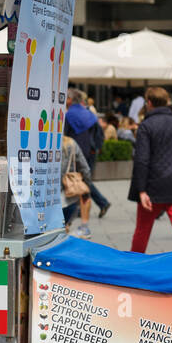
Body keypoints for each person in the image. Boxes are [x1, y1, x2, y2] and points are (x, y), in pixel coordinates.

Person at [129, 85, 172, 252]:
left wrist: (141, 189)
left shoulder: (146, 126)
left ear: (149, 103)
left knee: (142, 230)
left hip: (152, 187)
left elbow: (142, 160)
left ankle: (134, 264)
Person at [65, 87, 110, 233]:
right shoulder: (90, 114)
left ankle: (99, 204)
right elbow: (99, 135)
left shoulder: (69, 115)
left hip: (75, 154)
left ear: (70, 100)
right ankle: (91, 207)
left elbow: (64, 135)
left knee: (78, 182)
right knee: (84, 180)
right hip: (90, 153)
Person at [61, 133, 93, 237]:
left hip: (49, 201)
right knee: (64, 229)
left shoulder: (44, 144)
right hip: (70, 197)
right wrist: (86, 187)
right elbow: (85, 168)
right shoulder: (71, 143)